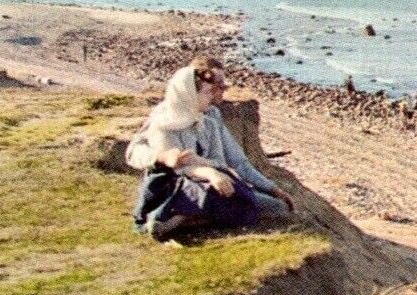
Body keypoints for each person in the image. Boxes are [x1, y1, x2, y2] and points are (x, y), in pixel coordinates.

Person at [125, 58, 294, 239]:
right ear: (189, 91)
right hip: (178, 185)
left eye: (220, 85)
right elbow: (136, 152)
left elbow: (234, 161)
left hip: (208, 181)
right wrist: (161, 157)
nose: (221, 89)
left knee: (270, 206)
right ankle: (177, 217)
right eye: (216, 85)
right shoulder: (164, 118)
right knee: (238, 201)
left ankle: (192, 217)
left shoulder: (210, 118)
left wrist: (270, 188)